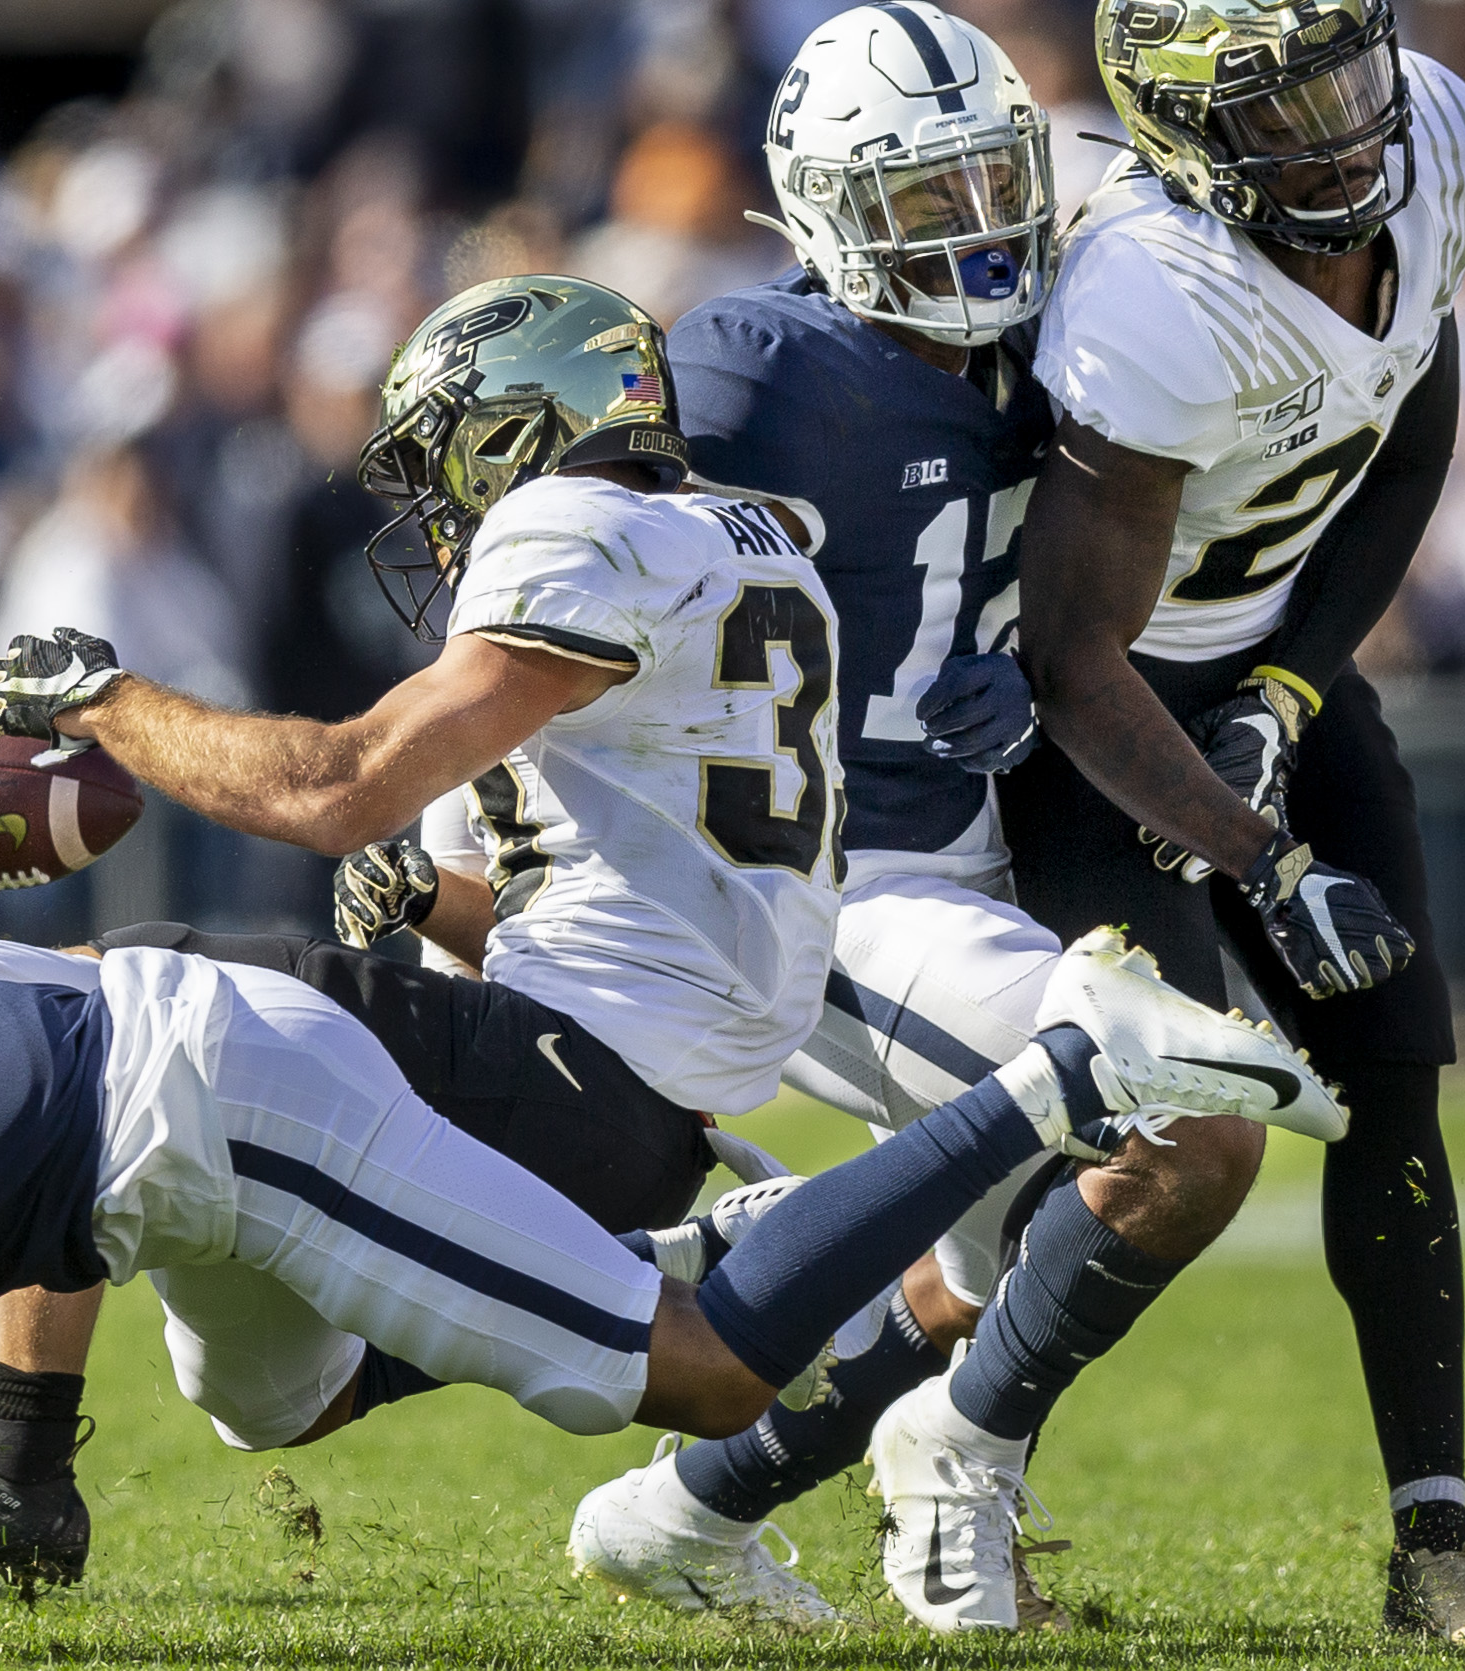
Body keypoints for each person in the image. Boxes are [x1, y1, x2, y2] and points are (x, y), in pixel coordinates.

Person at [0, 869, 1338, 1587]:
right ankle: (706, 1229)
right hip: (161, 1051)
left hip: (222, 1119)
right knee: (259, 1401)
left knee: (697, 1369)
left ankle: (1056, 1076)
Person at [0, 275, 850, 1575]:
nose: (429, 502)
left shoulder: (576, 524)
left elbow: (331, 788)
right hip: (617, 1093)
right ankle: (675, 1254)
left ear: (518, 427)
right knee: (271, 1391)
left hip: (573, 1069)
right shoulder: (744, 539)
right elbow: (630, 889)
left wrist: (104, 699)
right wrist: (433, 902)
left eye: (442, 451)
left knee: (91, 1004)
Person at [938, 0, 1465, 1644]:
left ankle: (1433, 1541)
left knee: (1394, 1074)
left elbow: (1409, 421)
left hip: (1265, 665)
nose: (1351, 133)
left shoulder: (1436, 144)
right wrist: (1252, 846)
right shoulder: (1154, 290)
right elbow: (1070, 662)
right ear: (1190, 141)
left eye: (1351, 82)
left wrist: (1284, 698)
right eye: (1288, 114)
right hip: (1101, 720)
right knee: (1156, 1128)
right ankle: (956, 1459)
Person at [553, 3, 1085, 1630]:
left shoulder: (1046, 347)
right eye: (922, 200)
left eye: (988, 182)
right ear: (828, 210)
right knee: (1151, 1096)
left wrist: (1034, 674)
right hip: (833, 878)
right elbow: (567, 593)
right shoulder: (753, 365)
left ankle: (698, 1504)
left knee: (1009, 1243)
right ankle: (935, 1451)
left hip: (970, 860)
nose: (976, 228)